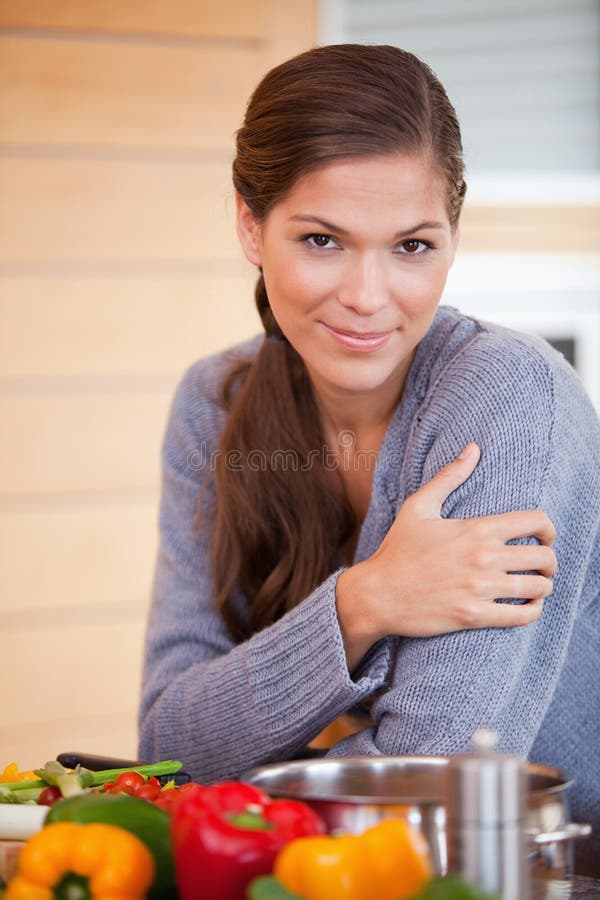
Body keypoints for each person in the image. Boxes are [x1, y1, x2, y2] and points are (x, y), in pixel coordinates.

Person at [138, 44, 600, 874]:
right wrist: (362, 602)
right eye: (322, 239)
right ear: (250, 224)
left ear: (454, 236)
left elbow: (428, 791)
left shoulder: (509, 395)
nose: (367, 295)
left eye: (412, 246)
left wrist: (257, 752)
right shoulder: (214, 404)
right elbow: (167, 748)